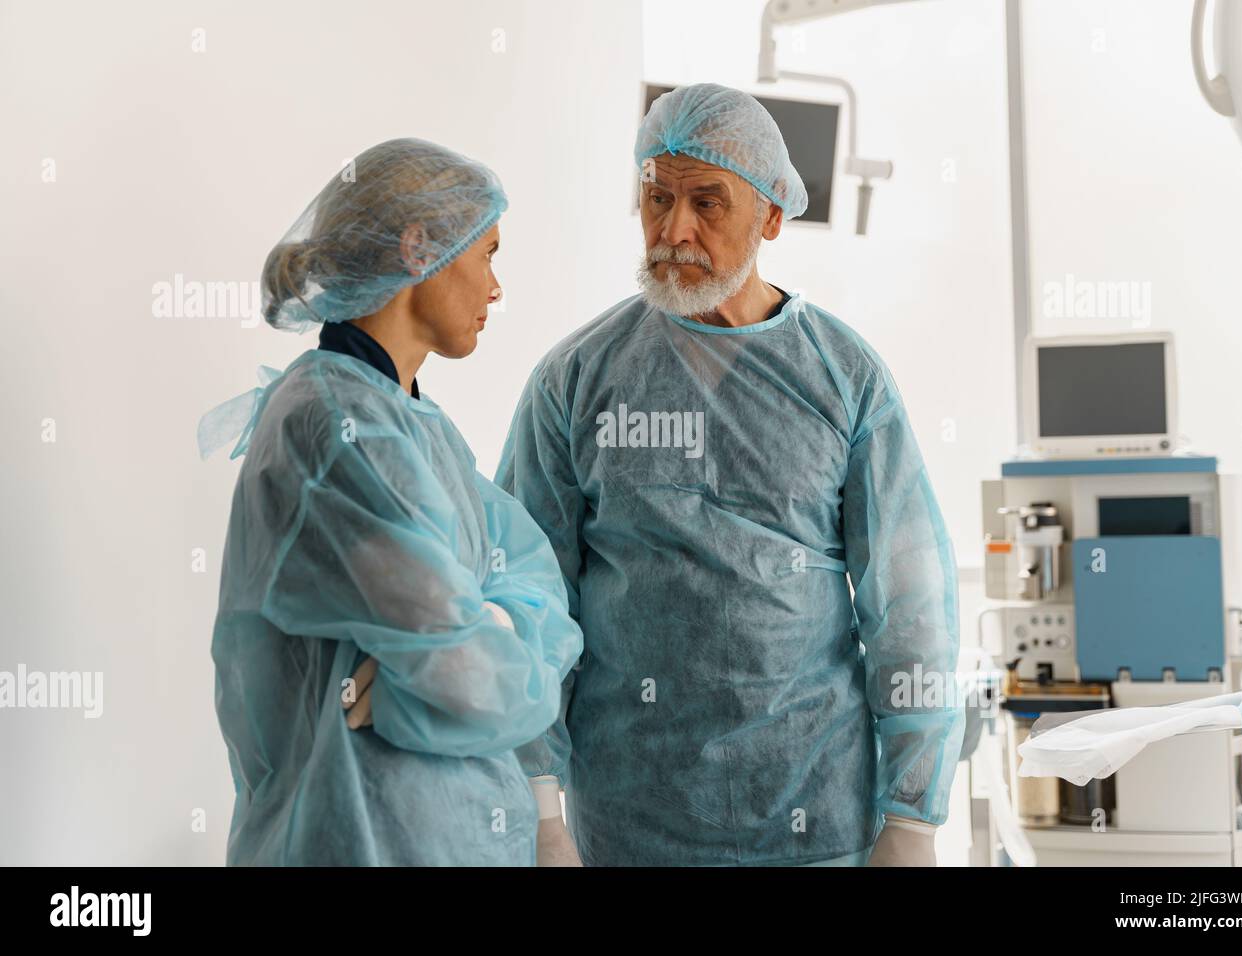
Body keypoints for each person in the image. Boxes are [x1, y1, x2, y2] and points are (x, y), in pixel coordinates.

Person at [496, 84, 963, 866]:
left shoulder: (844, 378)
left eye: (708, 202)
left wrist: (912, 820)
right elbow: (528, 600)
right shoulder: (575, 381)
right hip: (629, 819)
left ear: (772, 217)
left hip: (813, 808)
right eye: (658, 198)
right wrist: (540, 808)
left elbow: (908, 603)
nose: (675, 229)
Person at [200, 138, 582, 865]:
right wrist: (460, 657)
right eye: (488, 253)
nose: (496, 288)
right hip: (358, 839)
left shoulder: (415, 425)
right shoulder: (334, 429)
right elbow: (468, 677)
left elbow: (540, 594)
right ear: (418, 249)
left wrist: (483, 628)